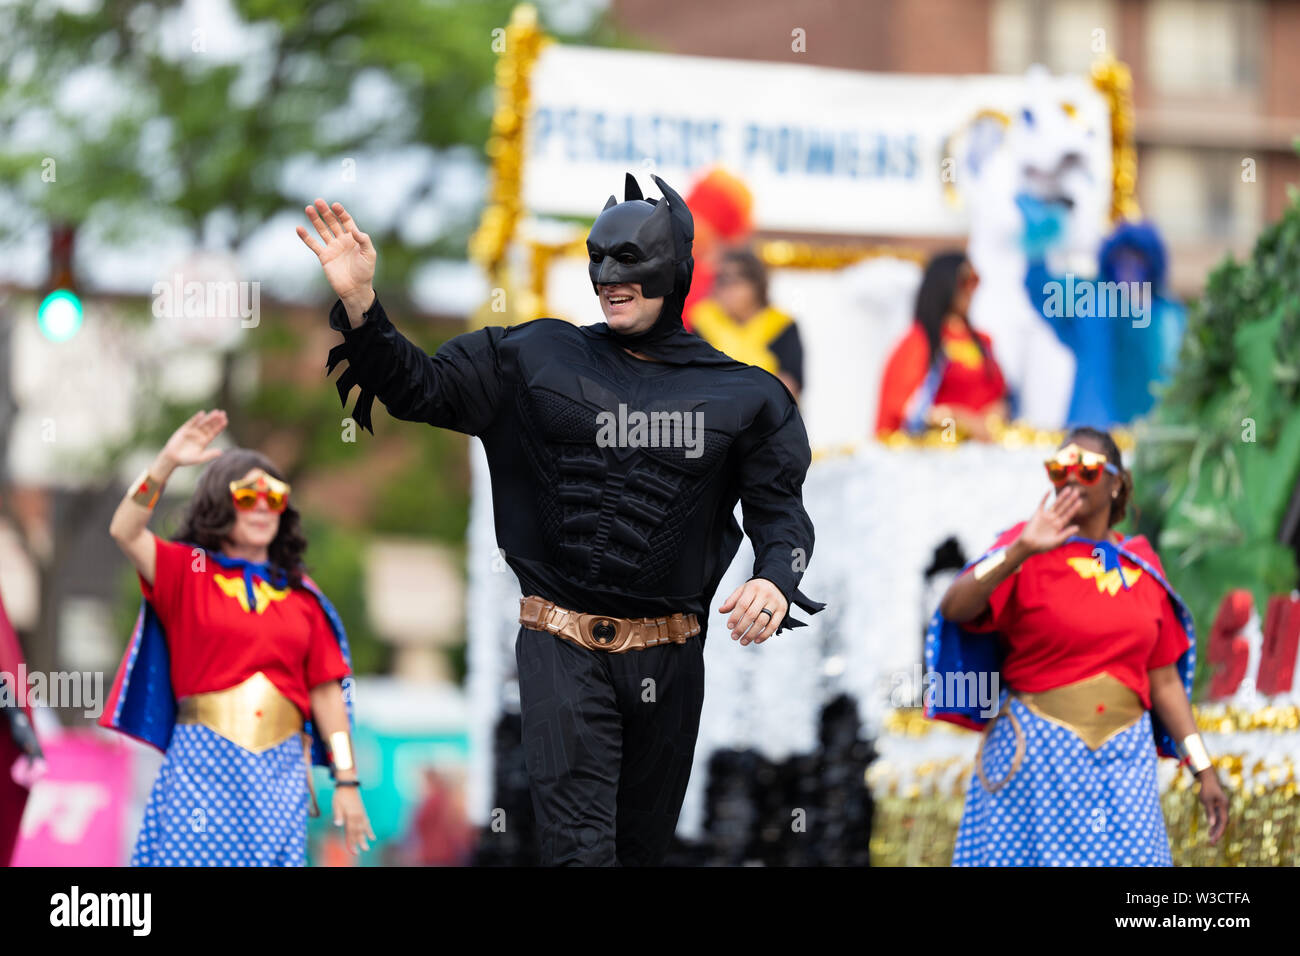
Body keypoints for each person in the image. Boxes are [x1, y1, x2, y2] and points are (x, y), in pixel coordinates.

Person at [297, 173, 823, 866]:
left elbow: (782, 515)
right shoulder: (533, 355)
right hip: (559, 642)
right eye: (598, 259)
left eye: (630, 262)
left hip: (669, 659)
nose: (609, 277)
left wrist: (775, 580)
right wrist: (362, 301)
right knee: (579, 855)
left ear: (677, 271)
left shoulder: (745, 395)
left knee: (637, 854)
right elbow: (418, 387)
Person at [929, 426, 1228, 865]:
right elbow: (955, 606)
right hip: (1038, 760)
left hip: (1125, 761)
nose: (1070, 478)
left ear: (1116, 483)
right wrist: (1020, 550)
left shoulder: (1142, 565)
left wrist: (1203, 767)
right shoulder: (1023, 547)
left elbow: (1163, 682)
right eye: (1060, 468)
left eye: (1086, 469)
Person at [101, 411, 374, 865]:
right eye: (249, 495)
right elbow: (124, 530)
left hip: (279, 773)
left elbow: (328, 696)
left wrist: (346, 780)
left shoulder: (303, 597)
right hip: (200, 767)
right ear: (220, 503)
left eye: (275, 495)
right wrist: (166, 463)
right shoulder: (187, 573)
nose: (264, 506)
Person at [875, 251, 1008, 440]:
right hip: (940, 445)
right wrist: (963, 421)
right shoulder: (919, 342)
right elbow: (908, 411)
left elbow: (1000, 394)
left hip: (985, 446)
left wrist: (993, 418)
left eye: (975, 281)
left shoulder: (982, 342)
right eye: (966, 280)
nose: (971, 290)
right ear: (945, 284)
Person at [688, 249, 804, 399]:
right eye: (722, 281)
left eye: (736, 280)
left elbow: (790, 384)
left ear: (756, 284)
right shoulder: (704, 319)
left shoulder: (781, 324)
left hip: (767, 416)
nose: (728, 289)